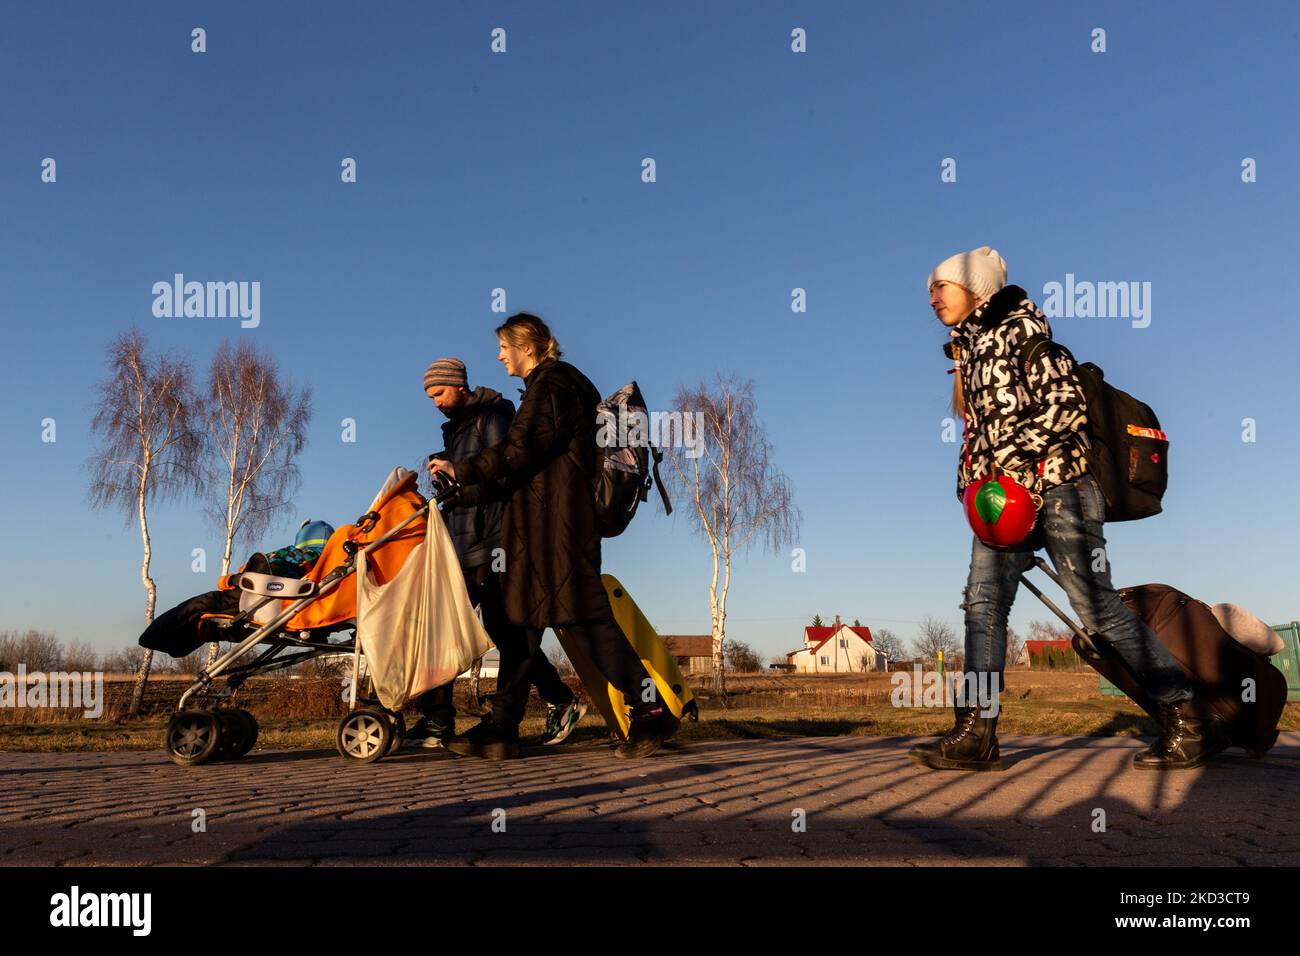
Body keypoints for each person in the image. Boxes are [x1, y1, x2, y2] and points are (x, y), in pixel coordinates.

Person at [909, 246, 1226, 772]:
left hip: (1062, 489)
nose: (932, 297)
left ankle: (1190, 719)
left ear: (977, 288)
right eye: (930, 290)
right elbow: (982, 438)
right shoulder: (970, 354)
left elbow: (1066, 408)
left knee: (1097, 609)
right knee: (982, 606)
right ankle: (976, 735)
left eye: (941, 286)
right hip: (1001, 504)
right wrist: (970, 483)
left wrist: (1008, 462)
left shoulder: (1028, 337)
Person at [428, 313, 673, 760]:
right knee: (519, 626)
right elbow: (522, 469)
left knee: (586, 622)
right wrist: (461, 492)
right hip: (538, 530)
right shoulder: (545, 388)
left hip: (560, 529)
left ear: (527, 345)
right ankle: (503, 728)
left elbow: (519, 450)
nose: (500, 356)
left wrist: (463, 468)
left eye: (504, 347)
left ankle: (651, 710)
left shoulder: (555, 383)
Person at [404, 357, 588, 748]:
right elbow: (467, 485)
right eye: (429, 396)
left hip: (495, 544)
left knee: (507, 632)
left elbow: (508, 475)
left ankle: (557, 700)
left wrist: (459, 479)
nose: (434, 401)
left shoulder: (495, 419)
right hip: (461, 544)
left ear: (459, 384)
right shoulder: (455, 430)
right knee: (443, 629)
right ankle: (438, 719)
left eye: (438, 392)